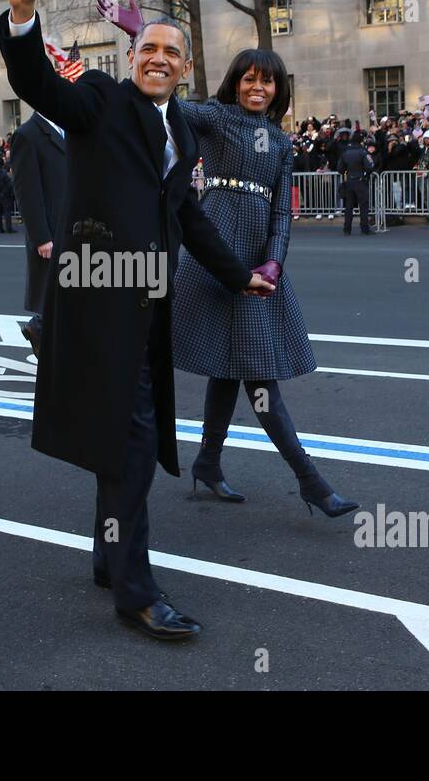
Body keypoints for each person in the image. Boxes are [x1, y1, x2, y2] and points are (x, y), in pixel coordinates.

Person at [0, 0, 272, 641]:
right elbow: (39, 81)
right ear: (131, 55)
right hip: (95, 308)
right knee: (136, 445)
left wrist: (241, 278)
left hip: (146, 316)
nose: (158, 59)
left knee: (122, 440)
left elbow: (190, 221)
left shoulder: (183, 136)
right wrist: (24, 18)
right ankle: (136, 591)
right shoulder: (102, 102)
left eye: (172, 52)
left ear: (184, 68)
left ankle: (108, 557)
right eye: (149, 48)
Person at [175, 49, 359, 519]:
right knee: (257, 371)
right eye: (250, 79)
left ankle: (207, 462)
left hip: (257, 257)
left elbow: (281, 210)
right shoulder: (214, 115)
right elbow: (164, 105)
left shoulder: (280, 141)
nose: (259, 88)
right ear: (235, 81)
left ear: (280, 89)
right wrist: (143, 47)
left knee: (229, 363)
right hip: (216, 247)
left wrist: (275, 261)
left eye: (269, 82)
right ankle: (310, 482)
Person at [10, 111, 68, 356]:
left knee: (70, 291)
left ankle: (42, 331)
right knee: (56, 291)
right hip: (51, 231)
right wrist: (41, 237)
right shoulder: (27, 134)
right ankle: (41, 330)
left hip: (72, 226)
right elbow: (27, 192)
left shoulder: (67, 128)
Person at [338, 131, 374, 235]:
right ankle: (364, 229)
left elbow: (340, 169)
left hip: (349, 181)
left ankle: (347, 229)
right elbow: (370, 166)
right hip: (360, 181)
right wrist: (365, 174)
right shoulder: (362, 152)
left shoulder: (345, 152)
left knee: (349, 206)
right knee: (363, 206)